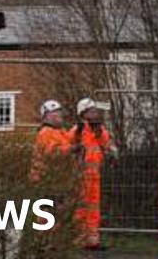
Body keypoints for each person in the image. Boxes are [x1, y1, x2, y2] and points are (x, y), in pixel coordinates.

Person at [71, 97, 116, 250]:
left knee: (93, 209)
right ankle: (78, 240)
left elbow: (107, 146)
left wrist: (111, 151)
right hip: (80, 175)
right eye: (91, 111)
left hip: (94, 175)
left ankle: (92, 241)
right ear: (83, 113)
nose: (95, 114)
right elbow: (69, 149)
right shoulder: (77, 131)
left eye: (95, 111)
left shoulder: (99, 130)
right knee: (80, 209)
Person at [30, 100, 70, 182]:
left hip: (58, 177)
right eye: (55, 112)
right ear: (46, 116)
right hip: (46, 177)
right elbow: (51, 153)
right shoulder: (45, 132)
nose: (59, 114)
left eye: (59, 111)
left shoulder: (61, 132)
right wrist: (71, 149)